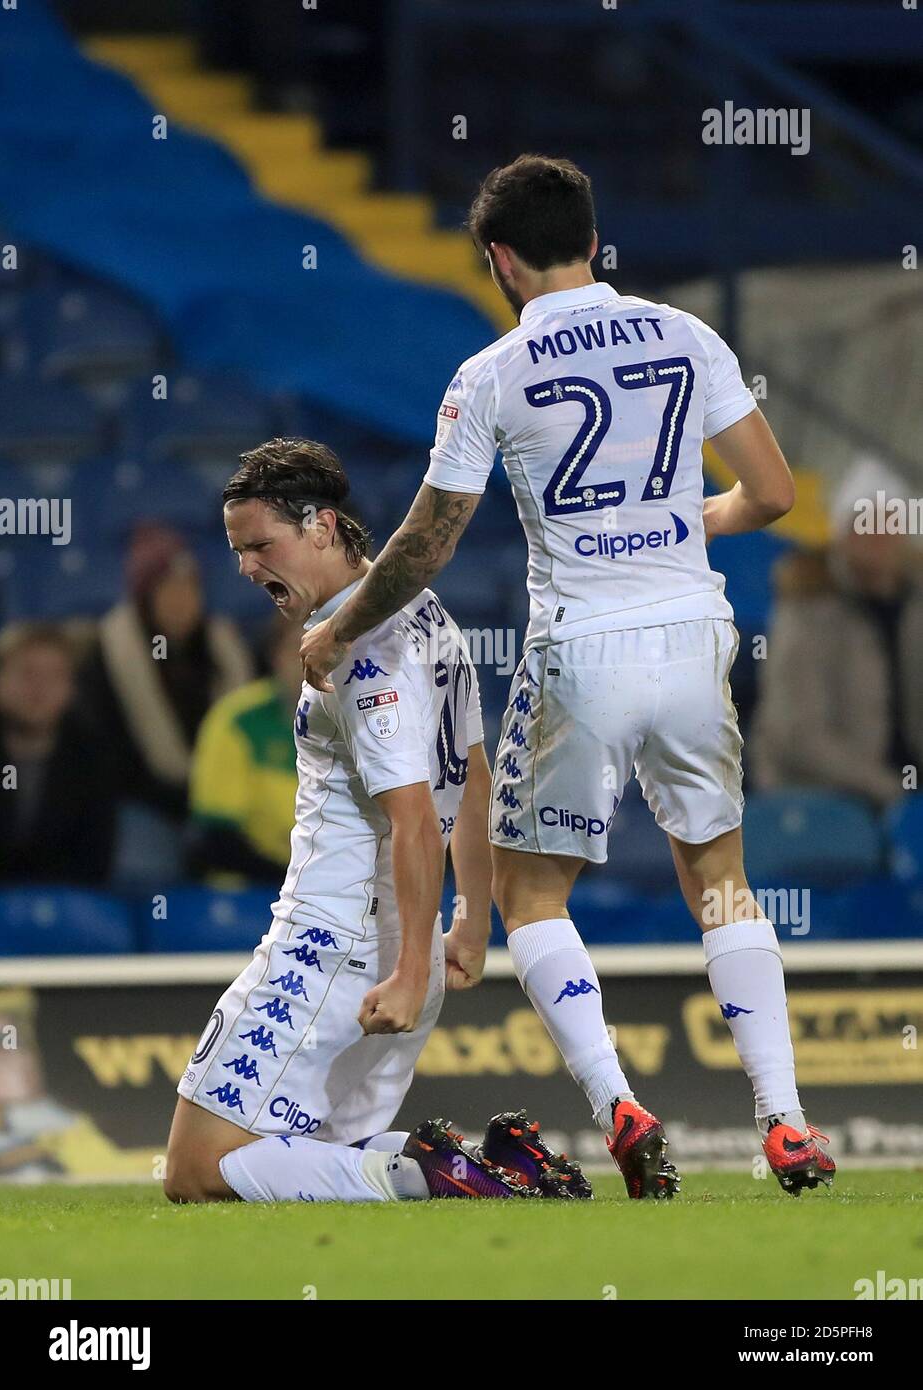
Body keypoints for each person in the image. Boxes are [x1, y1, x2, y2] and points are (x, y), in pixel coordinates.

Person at [299, 154, 835, 1197]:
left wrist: (342, 626)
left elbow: (424, 546)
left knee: (531, 892)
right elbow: (768, 494)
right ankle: (787, 1121)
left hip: (580, 642)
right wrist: (679, 525)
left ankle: (617, 1101)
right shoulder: (691, 336)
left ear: (499, 257)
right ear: (593, 236)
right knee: (721, 882)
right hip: (692, 634)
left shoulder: (492, 373)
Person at [165, 439, 589, 1204]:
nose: (246, 567)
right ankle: (496, 1161)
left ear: (323, 527)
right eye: (237, 550)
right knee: (319, 1152)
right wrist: (467, 922)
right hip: (402, 951)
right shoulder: (423, 612)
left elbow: (417, 819)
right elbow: (475, 773)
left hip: (331, 949)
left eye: (262, 544)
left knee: (197, 1169)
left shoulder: (356, 654)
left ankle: (430, 1173)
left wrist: (409, 968)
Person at [752, 457, 923, 809]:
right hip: (824, 796)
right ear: (842, 533)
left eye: (888, 523)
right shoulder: (808, 608)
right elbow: (797, 735)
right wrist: (889, 789)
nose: (878, 536)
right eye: (865, 523)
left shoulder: (913, 608)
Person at [78, 523, 253, 827]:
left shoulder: (224, 650)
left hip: (226, 801)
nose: (180, 599)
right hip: (144, 804)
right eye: (168, 587)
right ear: (146, 597)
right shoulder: (109, 656)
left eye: (189, 587)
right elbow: (108, 758)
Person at [186, 615, 302, 886]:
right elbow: (216, 837)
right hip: (252, 885)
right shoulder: (238, 721)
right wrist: (292, 879)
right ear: (275, 657)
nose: (308, 658)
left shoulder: (360, 723)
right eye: (295, 647)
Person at [0, 623, 116, 884]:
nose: (39, 689)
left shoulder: (92, 758)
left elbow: (95, 860)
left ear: (71, 689)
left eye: (54, 676)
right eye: (27, 674)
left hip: (66, 906)